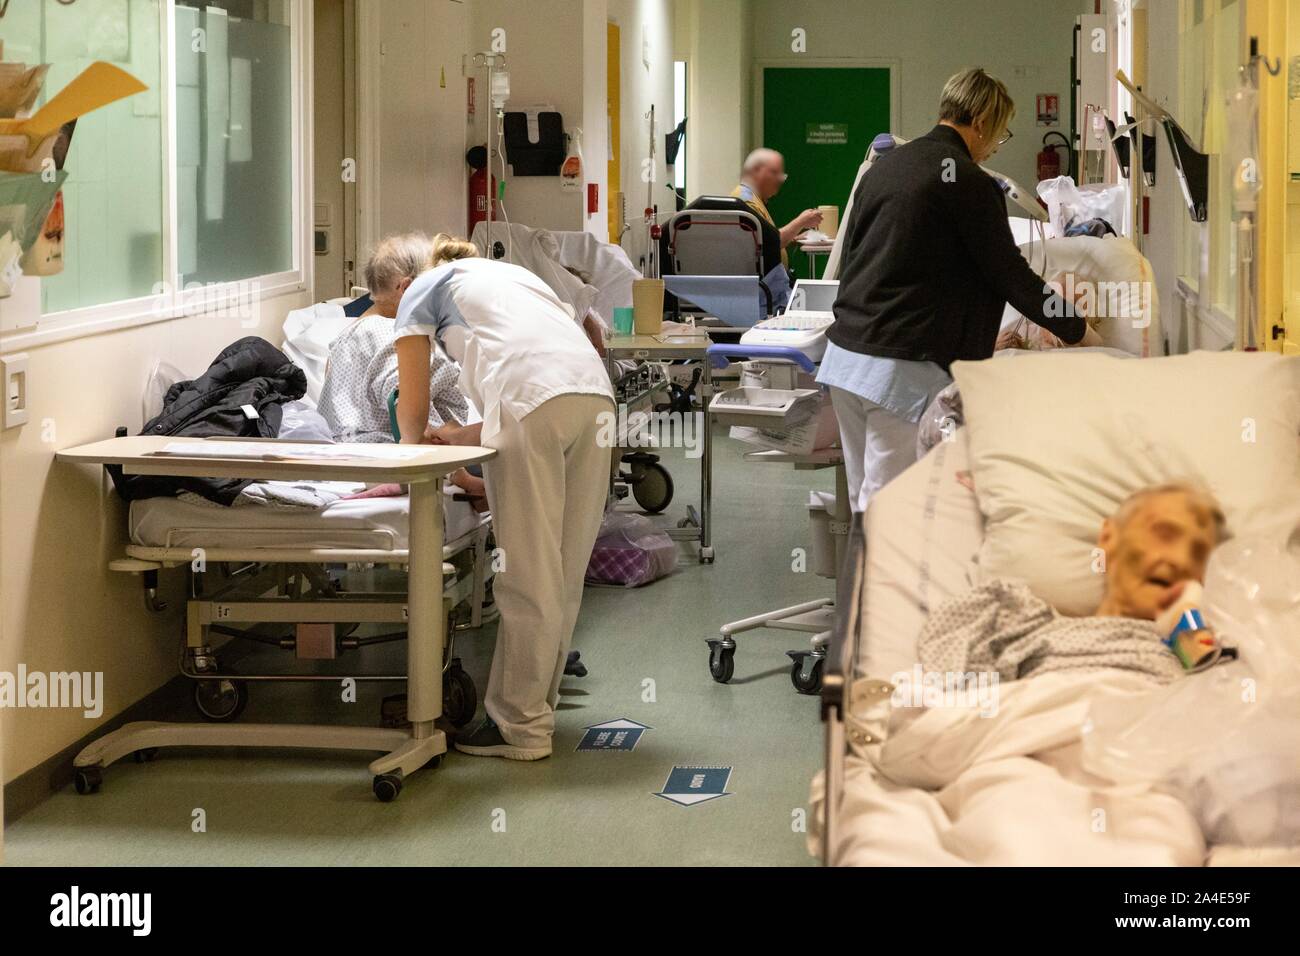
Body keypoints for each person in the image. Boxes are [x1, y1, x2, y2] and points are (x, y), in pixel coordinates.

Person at [823, 68, 1103, 513]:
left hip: (846, 363)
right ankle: (880, 584)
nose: (994, 145)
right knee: (890, 513)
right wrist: (1076, 328)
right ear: (982, 122)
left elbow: (853, 258)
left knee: (865, 505)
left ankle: (862, 583)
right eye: (999, 134)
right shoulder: (970, 184)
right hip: (897, 369)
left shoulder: (885, 167)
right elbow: (1012, 275)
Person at [393, 234, 615, 761]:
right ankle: (538, 704)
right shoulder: (515, 278)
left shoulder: (419, 290)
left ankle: (520, 727)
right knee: (563, 566)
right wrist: (467, 434)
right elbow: (544, 381)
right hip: (595, 401)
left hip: (532, 405)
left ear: (406, 280)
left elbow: (412, 402)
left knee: (527, 571)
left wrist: (408, 457)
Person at [318, 232, 485, 505]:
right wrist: (463, 478)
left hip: (341, 459)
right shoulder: (393, 337)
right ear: (407, 289)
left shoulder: (345, 338)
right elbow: (407, 410)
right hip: (386, 457)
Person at [732, 148, 824, 268]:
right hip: (767, 284)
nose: (780, 179)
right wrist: (801, 222)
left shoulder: (752, 199)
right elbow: (767, 245)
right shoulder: (746, 201)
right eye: (775, 172)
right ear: (755, 171)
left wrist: (794, 238)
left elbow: (763, 240)